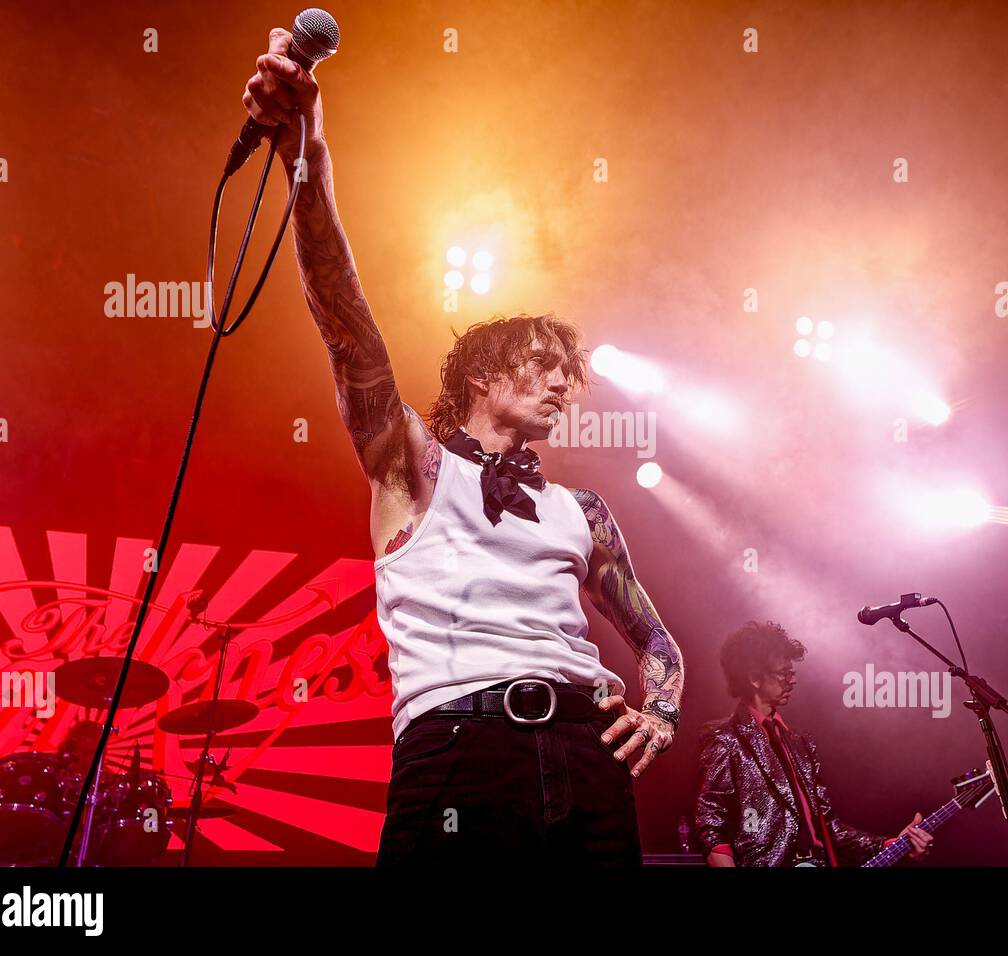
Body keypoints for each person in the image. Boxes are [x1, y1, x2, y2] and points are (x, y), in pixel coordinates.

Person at [241, 27, 684, 865]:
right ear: (481, 375)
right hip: (459, 753)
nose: (562, 385)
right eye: (543, 366)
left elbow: (657, 642)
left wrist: (659, 712)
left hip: (589, 761)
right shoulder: (413, 464)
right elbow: (344, 317)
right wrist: (310, 151)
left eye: (570, 376)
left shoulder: (583, 512)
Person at [695, 620, 932, 867]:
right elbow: (711, 828)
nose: (792, 680)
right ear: (755, 678)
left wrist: (888, 845)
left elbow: (828, 826)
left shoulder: (799, 743)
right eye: (784, 673)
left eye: (792, 672)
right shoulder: (725, 741)